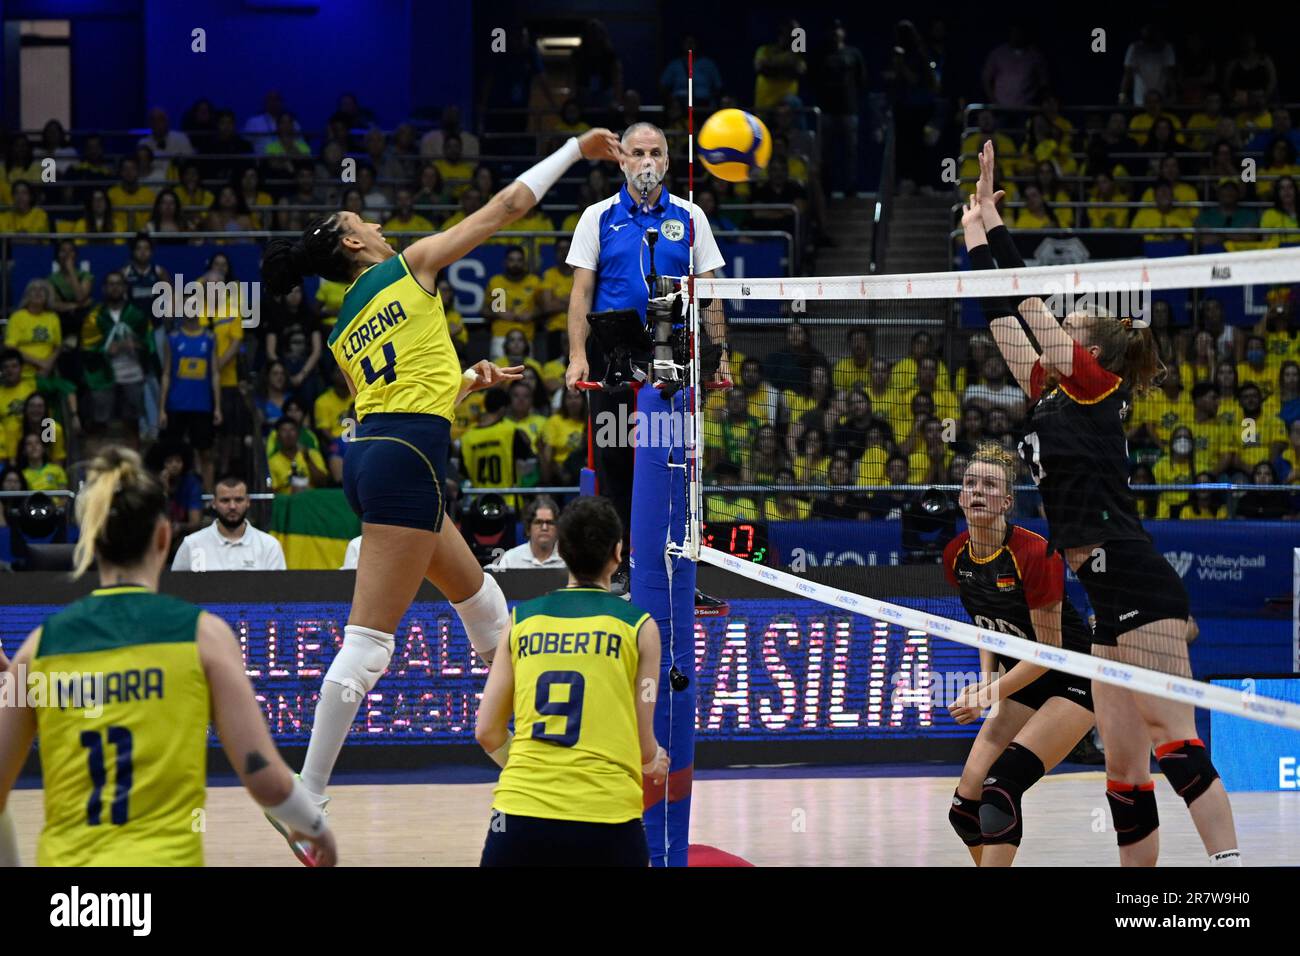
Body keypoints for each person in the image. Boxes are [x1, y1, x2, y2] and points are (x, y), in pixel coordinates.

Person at [257, 126, 623, 863]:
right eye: (365, 221)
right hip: (403, 464)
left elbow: (392, 400)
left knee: (485, 603)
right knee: (366, 648)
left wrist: (464, 383)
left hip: (375, 457)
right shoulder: (413, 266)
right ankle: (306, 800)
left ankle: (520, 755)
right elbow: (506, 206)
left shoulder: (345, 326)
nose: (379, 223)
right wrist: (573, 152)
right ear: (353, 244)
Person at [962, 140, 1240, 867]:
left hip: (1138, 582)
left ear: (1088, 349)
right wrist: (976, 231)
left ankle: (1231, 876)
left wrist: (998, 235)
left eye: (1071, 319)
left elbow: (1027, 303)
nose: (1061, 319)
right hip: (1107, 596)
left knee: (1174, 743)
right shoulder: (1052, 393)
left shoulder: (1094, 387)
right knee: (1124, 774)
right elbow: (1002, 318)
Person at [0, 447, 335, 867]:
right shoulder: (205, 637)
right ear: (163, 538)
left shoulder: (35, 648)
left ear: (92, 541)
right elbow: (263, 776)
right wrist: (317, 828)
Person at [475, 495, 667, 866]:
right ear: (617, 552)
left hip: (520, 816)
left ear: (562, 549)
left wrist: (538, 770)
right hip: (607, 819)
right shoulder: (640, 627)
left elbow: (487, 731)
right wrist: (655, 760)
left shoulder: (521, 621)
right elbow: (644, 747)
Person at [942, 443, 1095, 866]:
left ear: (1007, 501)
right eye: (970, 483)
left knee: (1001, 787)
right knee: (964, 810)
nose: (977, 491)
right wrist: (988, 677)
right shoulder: (956, 554)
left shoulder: (1034, 553)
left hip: (1075, 675)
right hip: (1023, 678)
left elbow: (1048, 652)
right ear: (959, 496)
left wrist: (989, 695)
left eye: (989, 485)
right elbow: (987, 625)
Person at [171, 475, 287, 571]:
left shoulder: (269, 546)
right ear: (214, 503)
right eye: (225, 500)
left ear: (248, 502)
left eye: (238, 500)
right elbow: (176, 591)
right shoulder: (192, 544)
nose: (232, 506)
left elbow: (278, 594)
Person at [489, 496, 566, 570]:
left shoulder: (568, 558)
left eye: (550, 522)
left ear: (557, 528)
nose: (544, 528)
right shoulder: (510, 558)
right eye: (538, 522)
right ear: (528, 529)